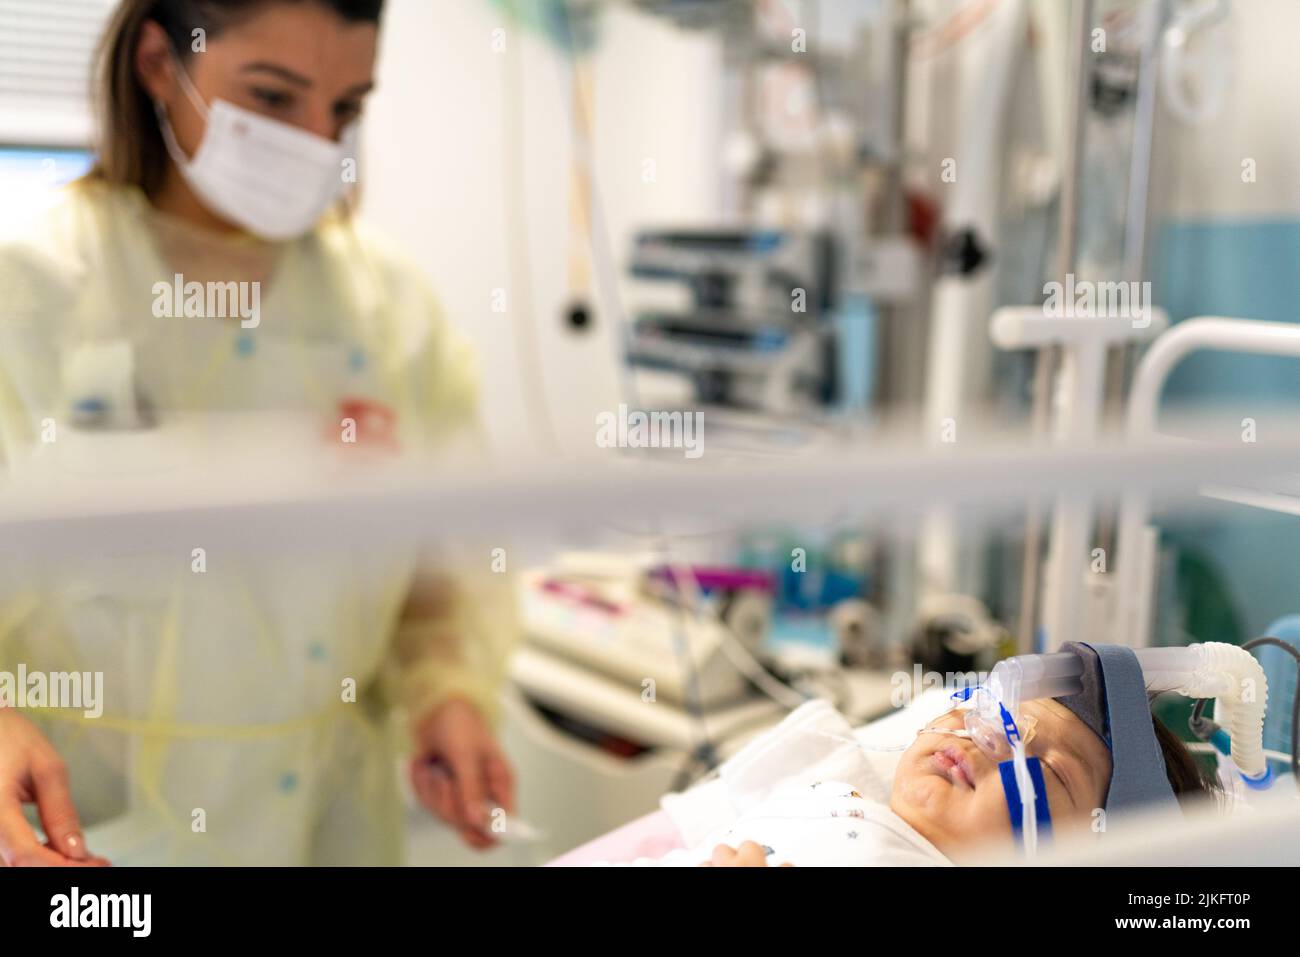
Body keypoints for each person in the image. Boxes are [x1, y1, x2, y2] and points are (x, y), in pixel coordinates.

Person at [0, 0, 518, 866]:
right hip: (97, 845)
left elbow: (443, 573)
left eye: (346, 108)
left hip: (328, 826)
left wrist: (446, 693)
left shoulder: (387, 312)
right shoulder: (33, 293)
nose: (318, 141)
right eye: (274, 99)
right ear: (160, 63)